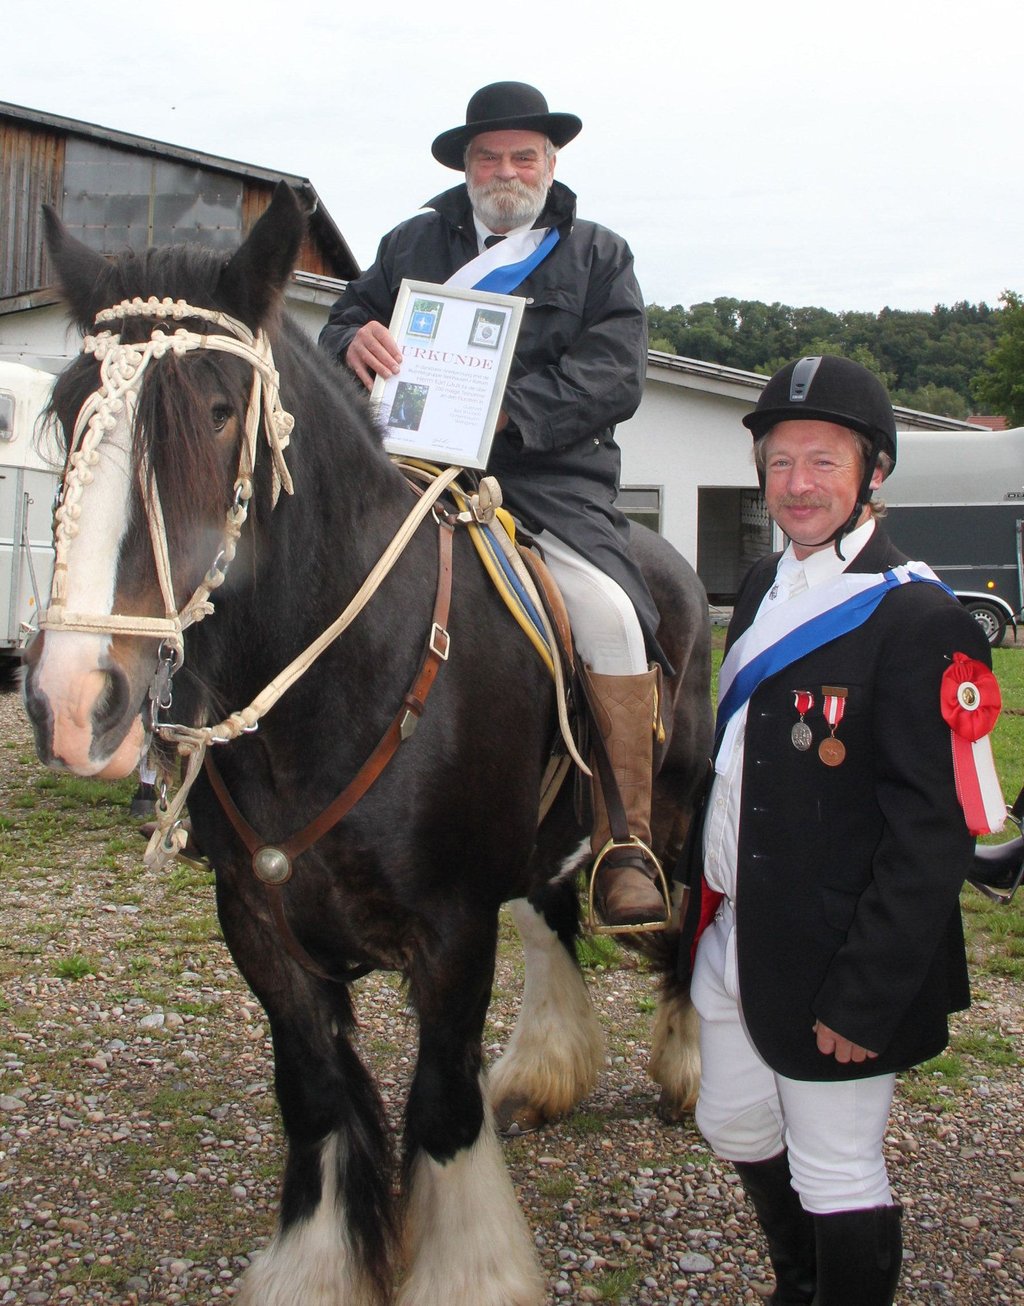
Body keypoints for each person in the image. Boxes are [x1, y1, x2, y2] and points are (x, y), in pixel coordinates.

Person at [675, 355, 1004, 1304]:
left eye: (823, 461)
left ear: (874, 473)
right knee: (733, 1122)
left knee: (838, 1169)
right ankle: (801, 1281)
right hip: (735, 931)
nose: (799, 485)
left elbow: (928, 836)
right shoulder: (762, 582)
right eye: (780, 463)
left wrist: (866, 996)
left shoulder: (919, 618)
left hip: (837, 955)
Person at [320, 81, 669, 928]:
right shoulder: (412, 240)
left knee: (614, 617)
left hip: (546, 483)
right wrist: (349, 341)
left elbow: (615, 371)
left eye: (523, 156)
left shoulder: (598, 255)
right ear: (467, 167)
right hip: (407, 469)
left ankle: (626, 836)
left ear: (549, 164)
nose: (504, 170)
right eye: (488, 157)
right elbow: (343, 321)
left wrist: (507, 411)